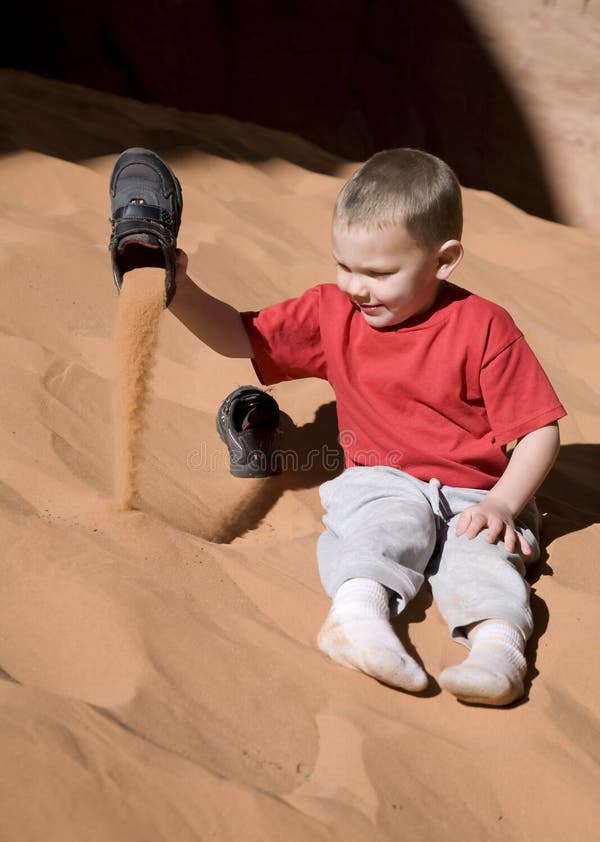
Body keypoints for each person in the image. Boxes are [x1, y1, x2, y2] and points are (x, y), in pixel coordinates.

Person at [167, 148, 566, 706]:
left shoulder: (483, 327)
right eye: (344, 265)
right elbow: (241, 338)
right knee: (387, 524)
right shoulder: (333, 311)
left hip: (477, 491)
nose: (356, 287)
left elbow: (538, 430)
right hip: (382, 476)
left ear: (443, 259)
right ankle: (356, 622)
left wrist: (502, 503)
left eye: (379, 273)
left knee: (485, 559)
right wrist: (180, 292)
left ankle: (498, 655)